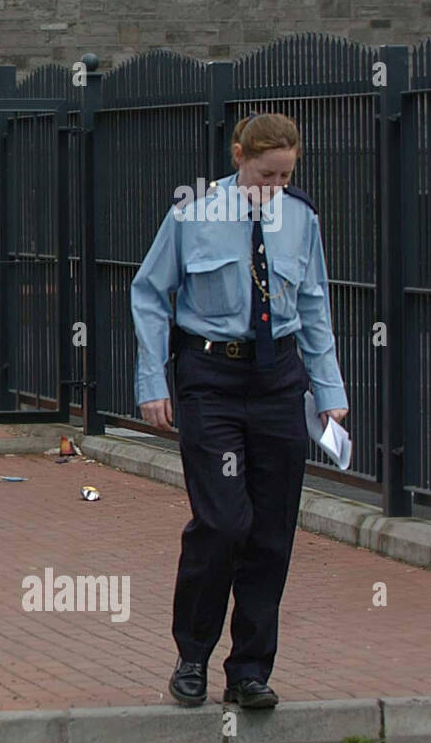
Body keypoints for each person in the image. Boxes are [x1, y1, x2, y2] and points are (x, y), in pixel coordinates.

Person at [130, 113, 349, 710]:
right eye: (264, 174)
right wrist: (154, 380)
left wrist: (329, 392)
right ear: (238, 157)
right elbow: (149, 292)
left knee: (272, 533)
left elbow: (313, 303)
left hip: (278, 380)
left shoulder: (300, 217)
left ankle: (250, 669)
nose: (273, 187)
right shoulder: (193, 214)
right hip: (212, 379)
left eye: (284, 176)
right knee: (224, 523)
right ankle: (192, 656)